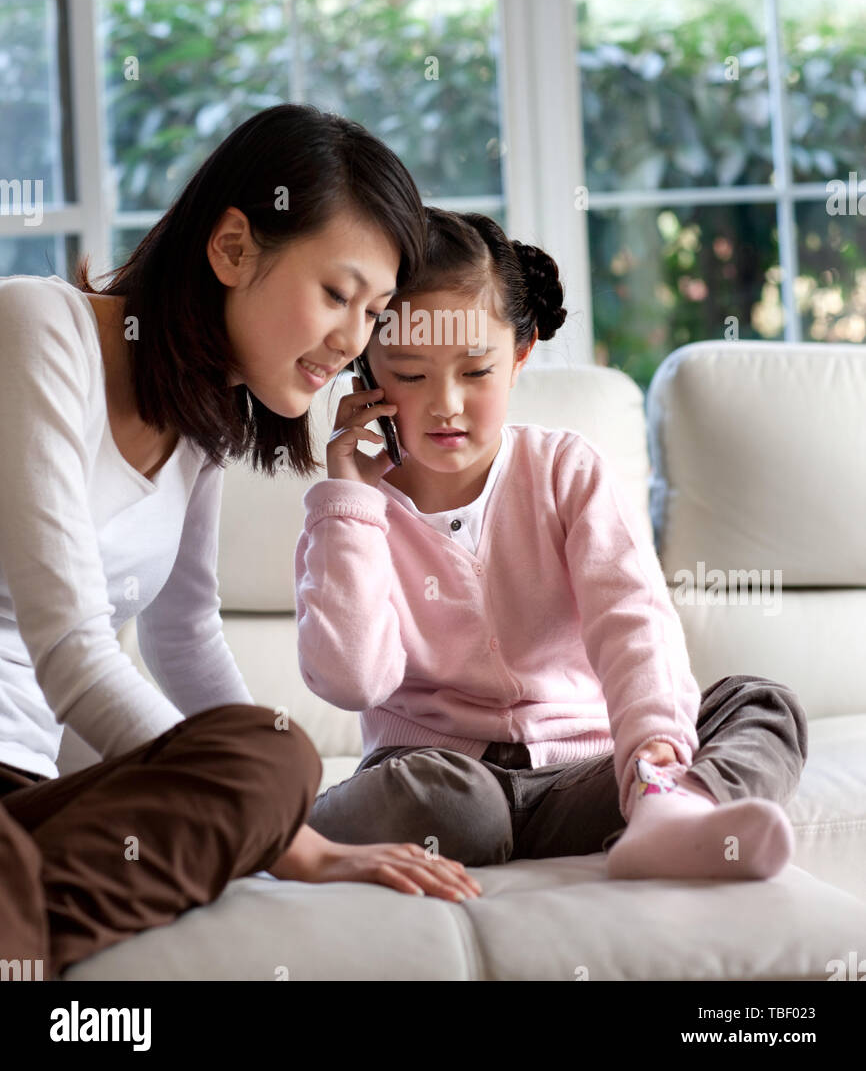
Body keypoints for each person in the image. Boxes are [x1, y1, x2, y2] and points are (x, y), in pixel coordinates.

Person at [0, 105, 481, 983]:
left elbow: (182, 637)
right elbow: (70, 645)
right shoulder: (39, 328)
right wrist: (290, 844)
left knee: (276, 748)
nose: (353, 342)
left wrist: (277, 802)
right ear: (232, 249)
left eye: (374, 313)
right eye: (337, 295)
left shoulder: (201, 428)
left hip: (29, 794)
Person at [297, 206, 809, 880]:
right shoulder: (352, 513)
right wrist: (352, 502)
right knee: (456, 806)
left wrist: (651, 759)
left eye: (475, 372)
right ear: (365, 371)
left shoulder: (566, 471)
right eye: (411, 375)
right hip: (447, 787)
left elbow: (634, 625)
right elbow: (352, 679)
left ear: (519, 355)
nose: (446, 404)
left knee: (762, 704)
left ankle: (668, 814)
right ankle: (292, 833)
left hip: (592, 778)